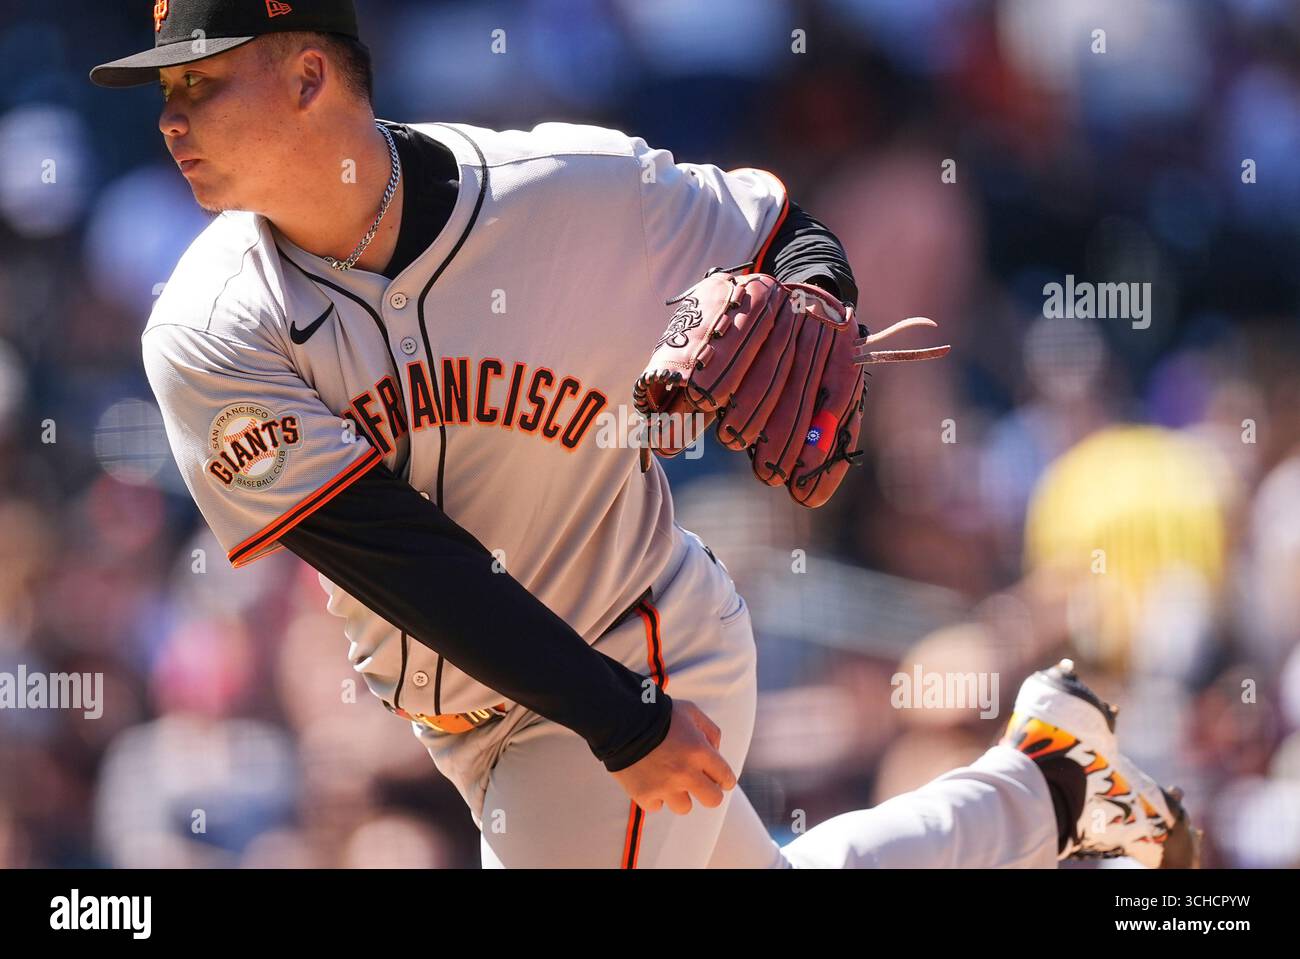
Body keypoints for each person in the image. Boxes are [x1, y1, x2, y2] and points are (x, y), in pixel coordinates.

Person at [90, 1, 1196, 868]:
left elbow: (783, 230)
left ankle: (1049, 789)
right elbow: (387, 551)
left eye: (199, 81)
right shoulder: (207, 324)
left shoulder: (559, 191)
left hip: (641, 645)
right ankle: (1051, 788)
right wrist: (607, 717)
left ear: (309, 75)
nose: (170, 119)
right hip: (513, 706)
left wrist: (812, 293)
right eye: (164, 92)